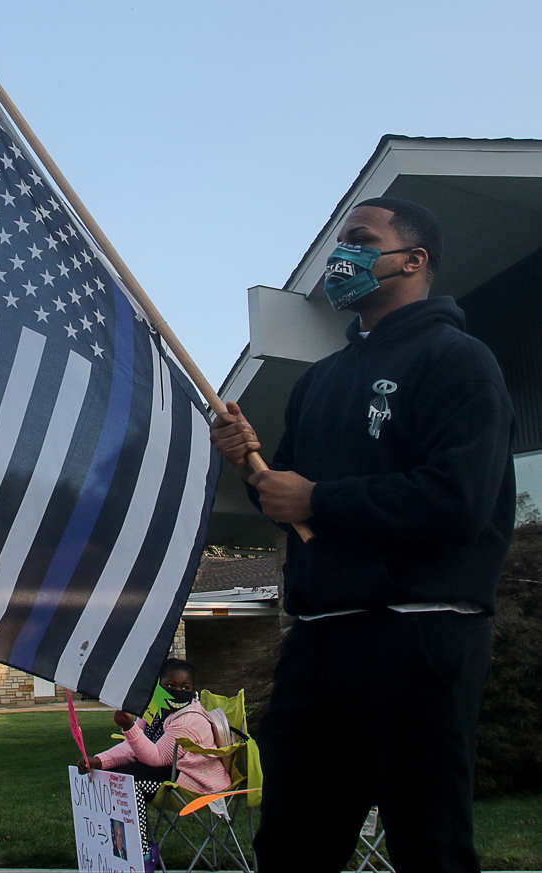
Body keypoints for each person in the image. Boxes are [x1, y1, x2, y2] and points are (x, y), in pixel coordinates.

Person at [210, 197, 515, 873]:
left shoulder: (458, 360)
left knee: (428, 846)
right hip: (317, 642)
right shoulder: (319, 381)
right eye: (339, 242)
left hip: (419, 634)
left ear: (413, 260)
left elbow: (457, 500)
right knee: (290, 846)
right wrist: (252, 466)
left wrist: (317, 496)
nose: (340, 256)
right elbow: (290, 505)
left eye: (361, 239)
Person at [78, 659, 228, 858]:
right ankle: (111, 846)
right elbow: (132, 746)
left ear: (193, 690)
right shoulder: (153, 709)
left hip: (194, 782)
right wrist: (99, 761)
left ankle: (142, 853)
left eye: (185, 687)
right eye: (170, 685)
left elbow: (157, 758)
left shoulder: (190, 719)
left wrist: (129, 727)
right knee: (109, 775)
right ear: (158, 685)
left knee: (130, 781)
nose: (178, 691)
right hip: (169, 770)